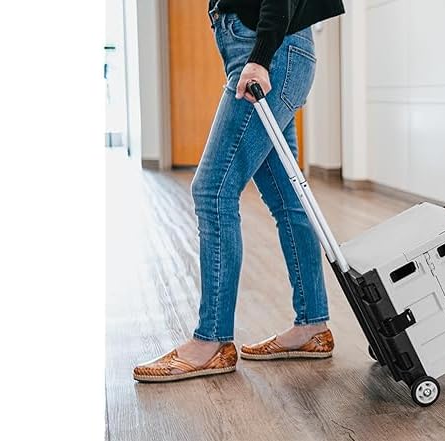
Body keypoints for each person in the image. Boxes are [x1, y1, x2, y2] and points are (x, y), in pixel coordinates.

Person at [133, 0, 346, 382]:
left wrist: (261, 56)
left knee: (213, 190)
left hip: (270, 51)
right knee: (286, 199)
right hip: (267, 48)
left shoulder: (266, 51)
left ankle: (211, 342)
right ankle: (313, 326)